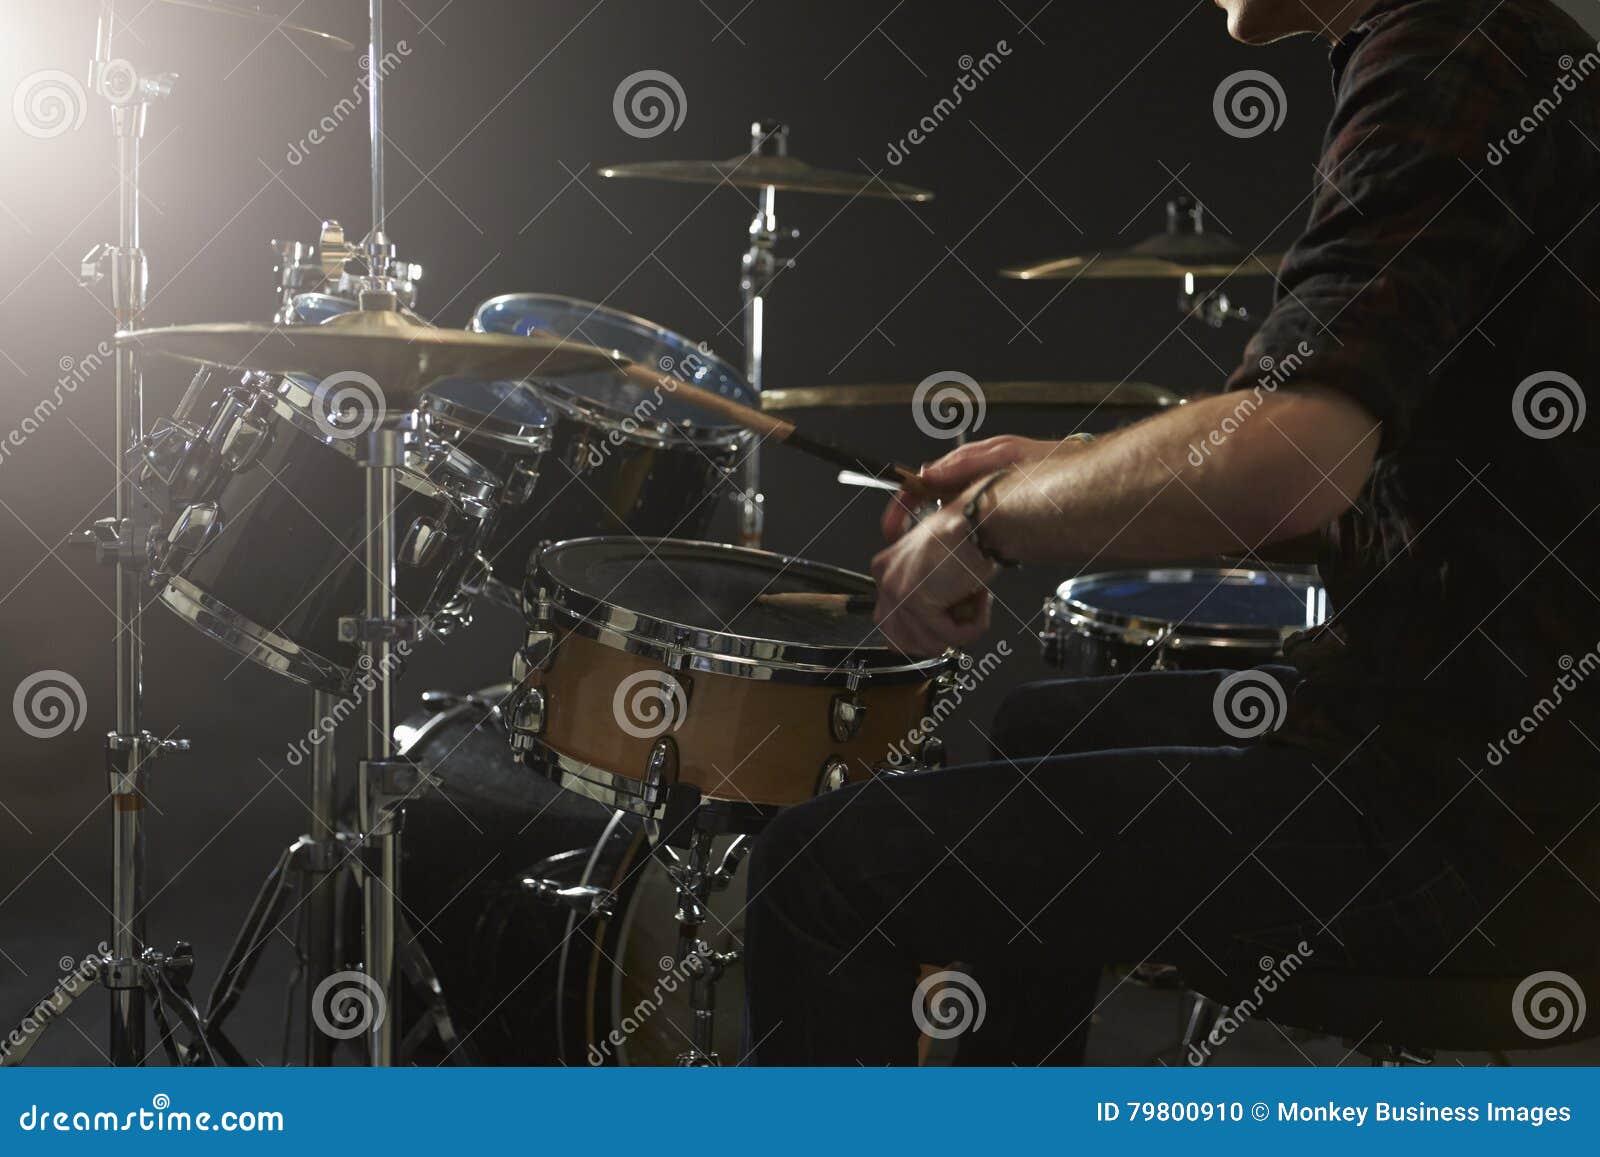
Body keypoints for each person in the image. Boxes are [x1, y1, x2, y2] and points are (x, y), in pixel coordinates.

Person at [745, 0, 1600, 1065]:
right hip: (1511, 778)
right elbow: (1384, 480)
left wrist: (983, 520)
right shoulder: (1510, 43)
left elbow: (1291, 461)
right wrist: (1052, 472)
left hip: (1467, 820)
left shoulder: (1443, 49)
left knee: (820, 872)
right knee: (1035, 729)